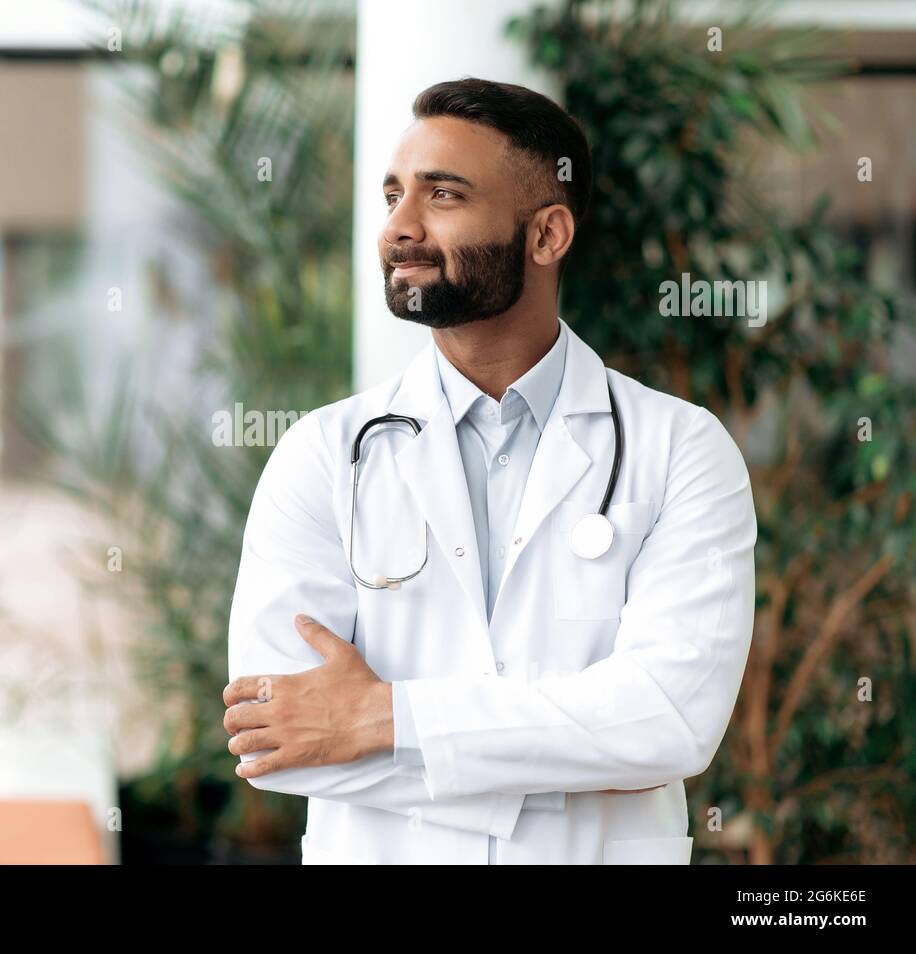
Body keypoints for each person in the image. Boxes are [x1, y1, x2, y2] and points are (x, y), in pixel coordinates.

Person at [222, 77, 756, 865]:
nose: (399, 228)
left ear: (547, 236)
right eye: (393, 195)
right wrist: (574, 752)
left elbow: (671, 719)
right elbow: (277, 735)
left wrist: (384, 721)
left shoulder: (681, 450)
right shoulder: (323, 454)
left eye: (443, 195)